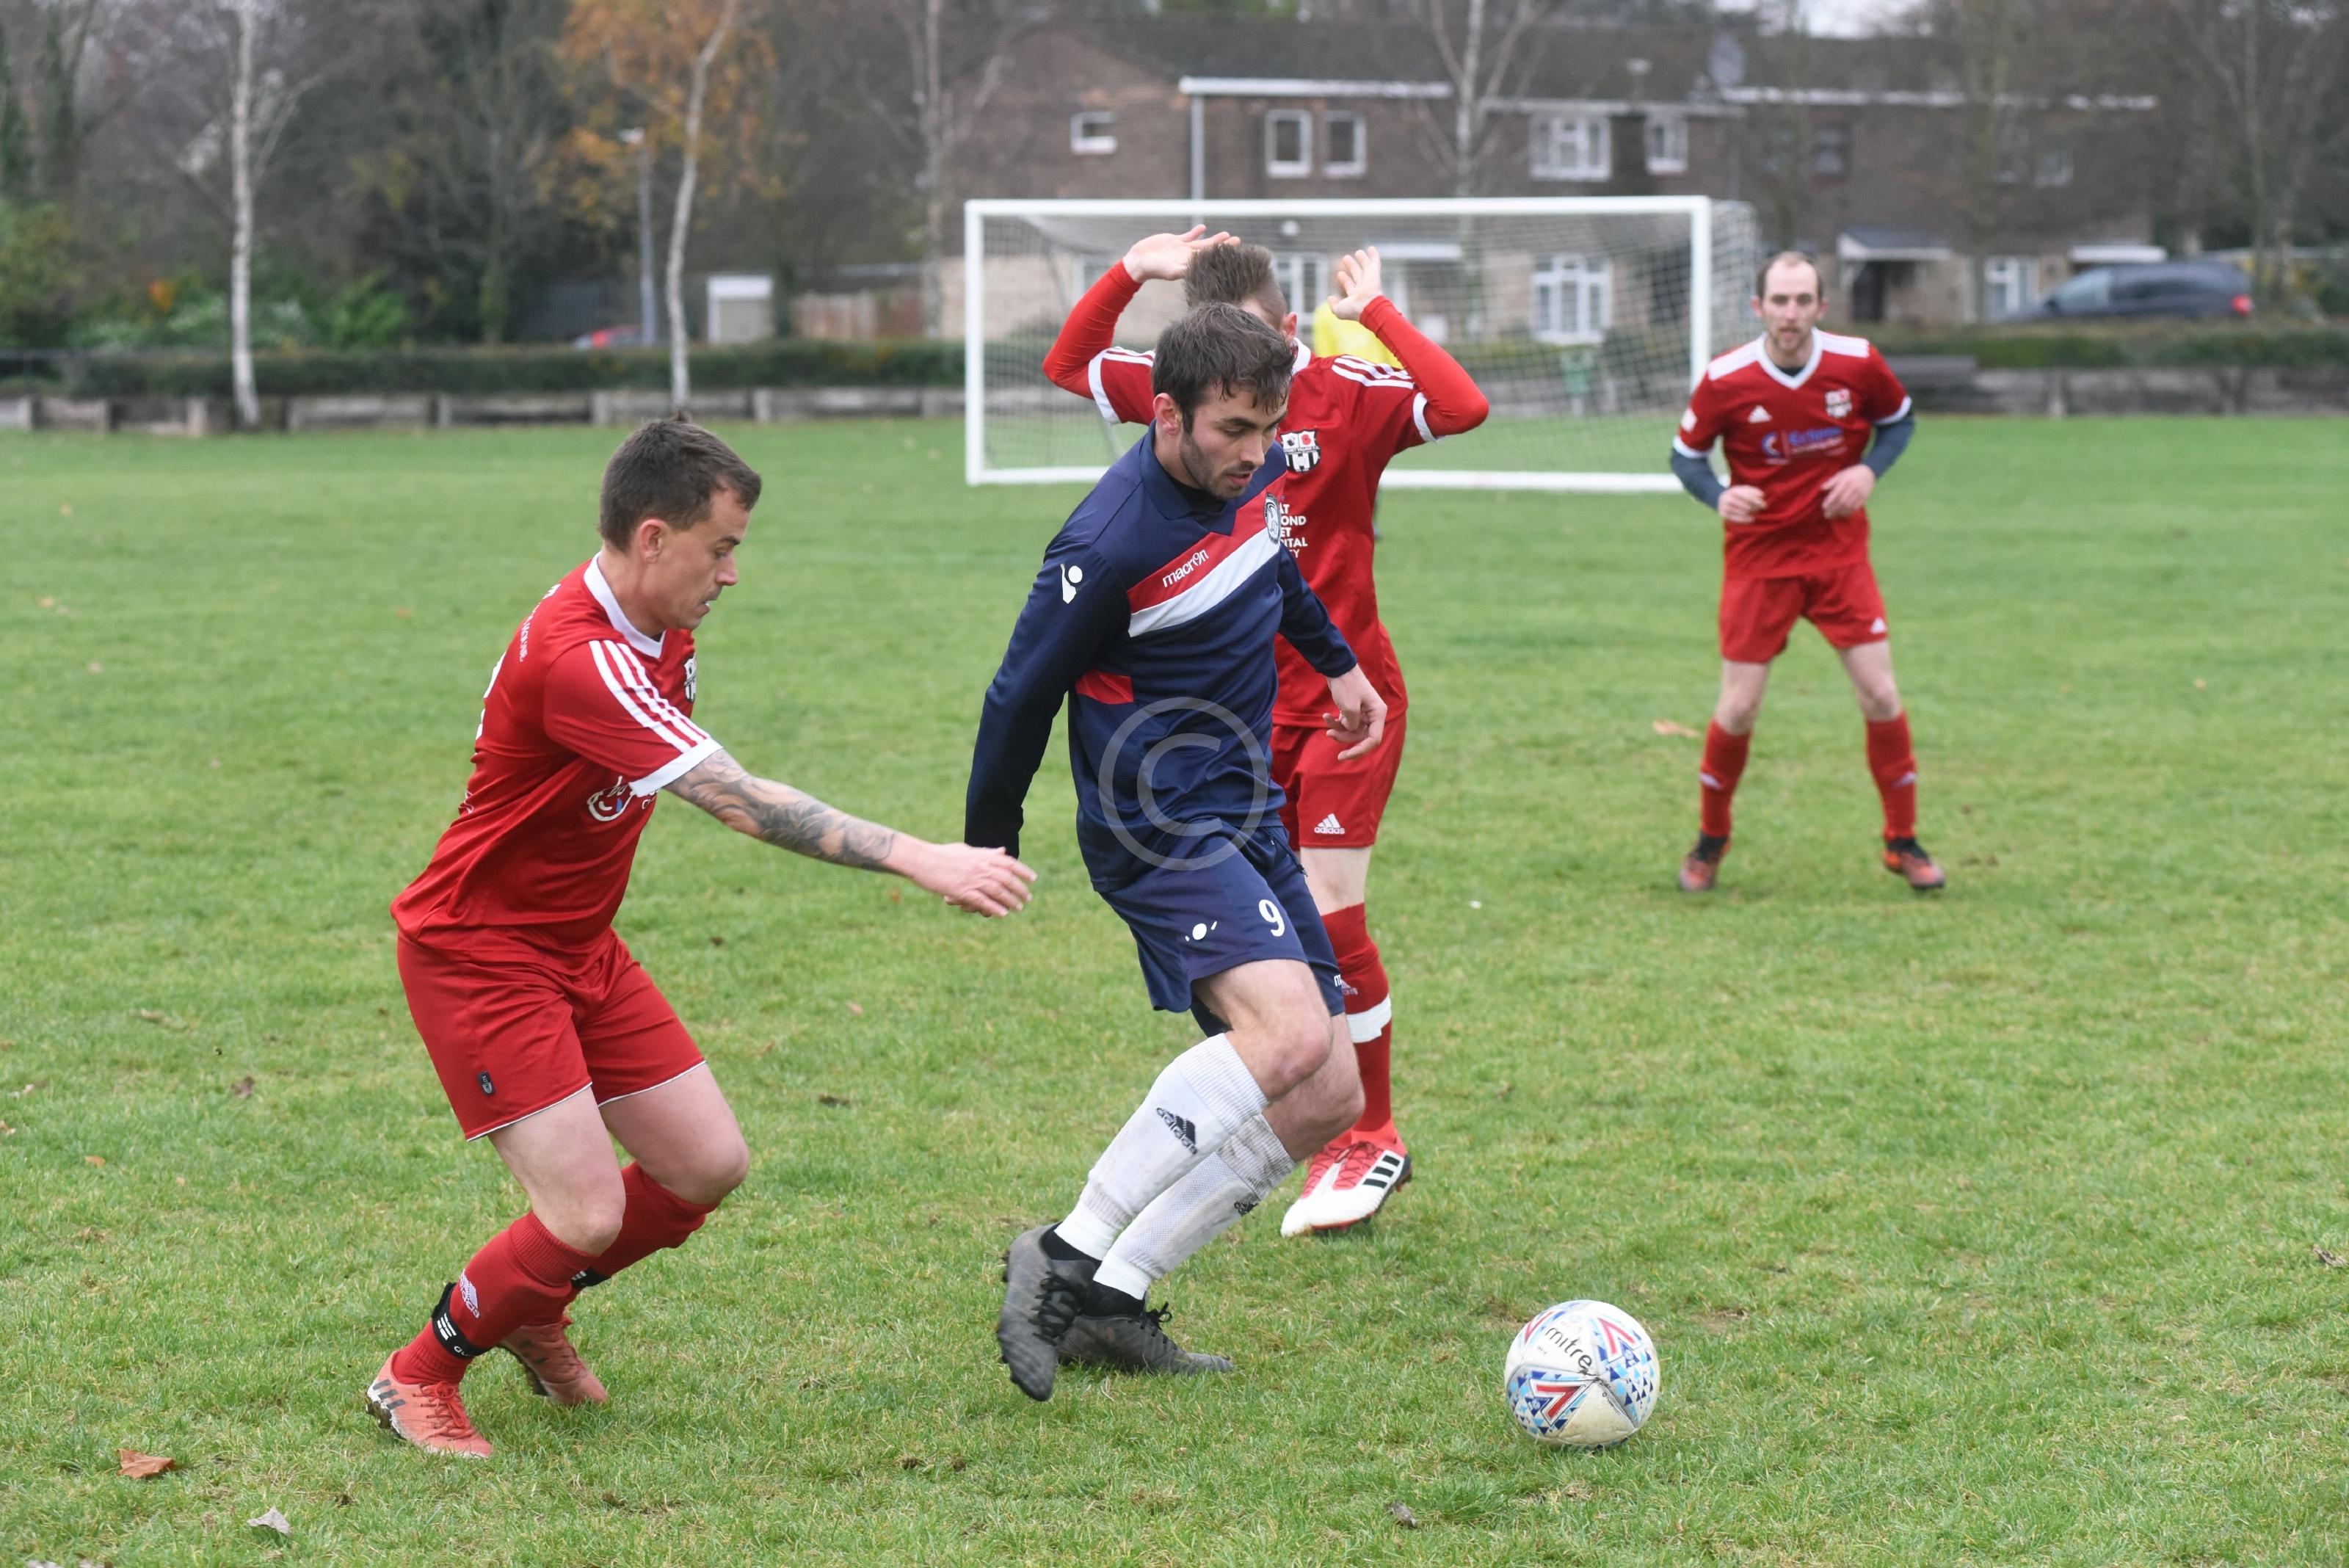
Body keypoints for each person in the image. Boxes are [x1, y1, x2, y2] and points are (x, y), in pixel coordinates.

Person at [371, 417, 1034, 1457]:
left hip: (578, 945)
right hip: (482, 953)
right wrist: (920, 855)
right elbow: (738, 801)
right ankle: (417, 1374)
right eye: (721, 548)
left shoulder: (660, 629)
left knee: (705, 1165)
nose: (731, 574)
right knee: (584, 1213)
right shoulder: (577, 660)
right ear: (651, 538)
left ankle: (530, 1306)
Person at [971, 303, 1390, 1400]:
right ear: (1167, 416)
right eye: (1237, 429)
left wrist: (1338, 665)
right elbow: (1019, 692)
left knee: (1331, 1093)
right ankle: (1065, 1250)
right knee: (1290, 1033)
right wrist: (987, 839)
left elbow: (1276, 569)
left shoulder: (1239, 479)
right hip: (1153, 814)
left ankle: (1113, 1297)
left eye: (1269, 428)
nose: (1259, 452)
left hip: (1244, 802)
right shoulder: (1109, 538)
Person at [1042, 232, 1488, 1238]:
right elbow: (1066, 367)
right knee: (1266, 941)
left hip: (1345, 696)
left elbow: (1462, 407)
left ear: (1289, 337)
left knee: (1330, 910)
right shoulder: (1182, 406)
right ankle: (1304, 1106)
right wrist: (1130, 270)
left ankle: (1370, 1130)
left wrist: (1377, 313)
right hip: (1232, 720)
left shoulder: (1345, 392)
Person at [1667, 251, 1944, 894]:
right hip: (1759, 562)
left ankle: (1902, 841)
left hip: (1839, 556)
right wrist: (1718, 496)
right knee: (1738, 708)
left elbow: (1899, 422)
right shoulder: (1726, 379)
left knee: (1880, 695)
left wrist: (1868, 469)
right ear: (1757, 307)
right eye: (1779, 301)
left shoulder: (1857, 363)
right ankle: (1710, 842)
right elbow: (1686, 459)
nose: (1790, 314)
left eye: (1802, 301)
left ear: (1821, 306)